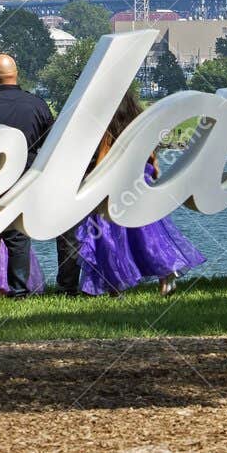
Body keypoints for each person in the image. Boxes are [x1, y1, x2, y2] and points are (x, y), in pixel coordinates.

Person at [71, 87, 206, 297]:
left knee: (107, 235)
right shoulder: (141, 119)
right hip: (139, 181)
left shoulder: (108, 126)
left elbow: (102, 163)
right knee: (148, 233)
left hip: (116, 184)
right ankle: (167, 276)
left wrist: (85, 185)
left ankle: (116, 286)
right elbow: (152, 158)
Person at [0, 52, 70, 296]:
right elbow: (50, 145)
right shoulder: (37, 105)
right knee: (18, 236)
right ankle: (19, 290)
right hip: (24, 180)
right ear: (17, 76)